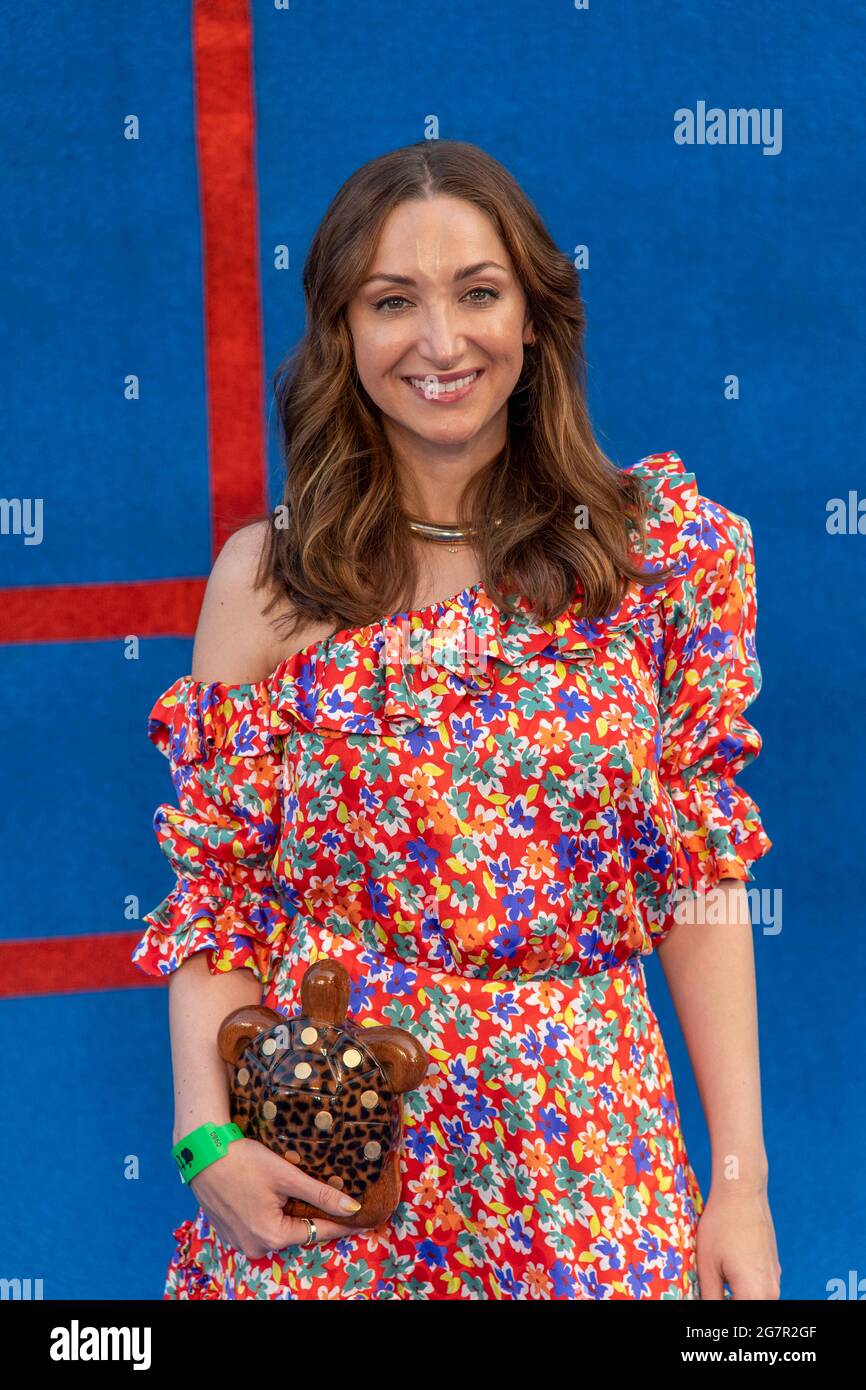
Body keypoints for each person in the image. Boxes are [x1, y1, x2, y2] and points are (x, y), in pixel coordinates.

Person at [132, 139, 780, 1300]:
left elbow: (695, 881)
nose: (440, 343)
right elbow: (219, 905)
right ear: (341, 329)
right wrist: (204, 1143)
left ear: (533, 318)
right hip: (330, 1173)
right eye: (392, 301)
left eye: (477, 293)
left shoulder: (660, 558)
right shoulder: (267, 585)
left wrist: (738, 1180)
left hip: (588, 1167)